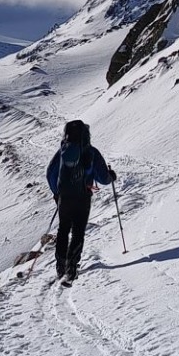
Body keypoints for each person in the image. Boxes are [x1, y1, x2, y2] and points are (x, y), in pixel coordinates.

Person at [46, 119, 115, 284]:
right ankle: (71, 270)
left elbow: (50, 173)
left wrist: (57, 193)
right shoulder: (91, 151)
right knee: (78, 232)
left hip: (64, 197)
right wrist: (111, 176)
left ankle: (60, 267)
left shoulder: (62, 151)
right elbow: (103, 178)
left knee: (63, 230)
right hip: (83, 197)